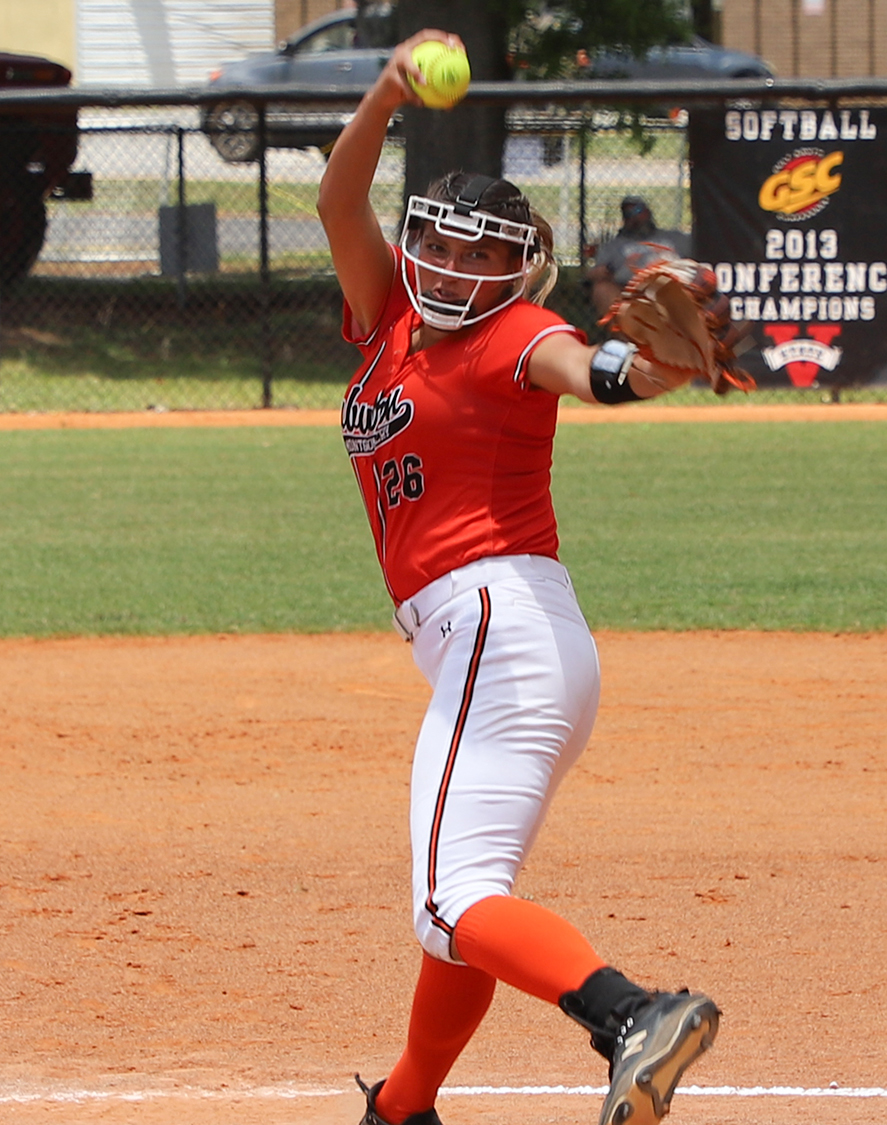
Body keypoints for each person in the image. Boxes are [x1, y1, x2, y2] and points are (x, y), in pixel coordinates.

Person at [315, 29, 720, 1125]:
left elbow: (588, 371)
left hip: (496, 622)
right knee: (468, 903)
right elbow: (337, 198)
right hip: (515, 643)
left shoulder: (516, 332)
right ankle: (399, 1110)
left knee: (449, 901)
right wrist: (386, 90)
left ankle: (631, 1013)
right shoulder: (388, 321)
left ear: (518, 267)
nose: (454, 269)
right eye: (437, 245)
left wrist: (648, 371)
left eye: (481, 255)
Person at [587, 196, 691, 324]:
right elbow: (595, 273)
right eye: (628, 214)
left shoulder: (676, 238)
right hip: (632, 292)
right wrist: (606, 272)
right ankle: (625, 340)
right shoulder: (614, 246)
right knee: (602, 289)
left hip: (674, 288)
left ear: (648, 211)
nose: (634, 217)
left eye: (638, 210)